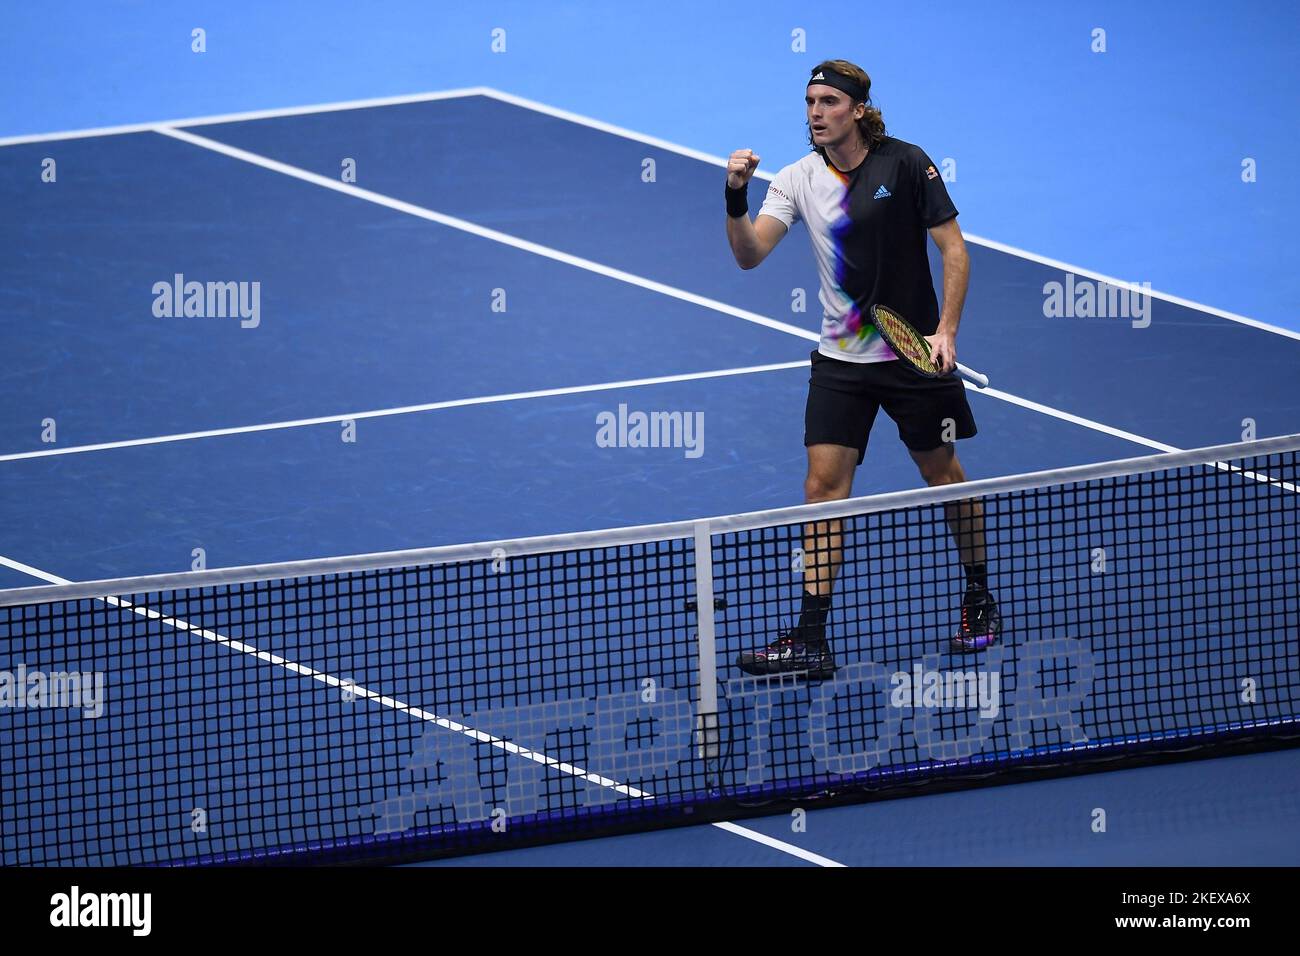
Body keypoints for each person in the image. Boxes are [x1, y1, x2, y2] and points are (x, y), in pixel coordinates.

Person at [724, 59, 1001, 678]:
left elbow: (953, 248)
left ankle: (979, 597)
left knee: (945, 476)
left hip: (912, 358)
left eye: (827, 102)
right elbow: (749, 255)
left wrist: (946, 331)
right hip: (840, 362)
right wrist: (735, 195)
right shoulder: (795, 179)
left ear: (856, 109)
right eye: (809, 101)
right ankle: (811, 636)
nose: (815, 113)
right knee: (821, 490)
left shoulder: (906, 164)